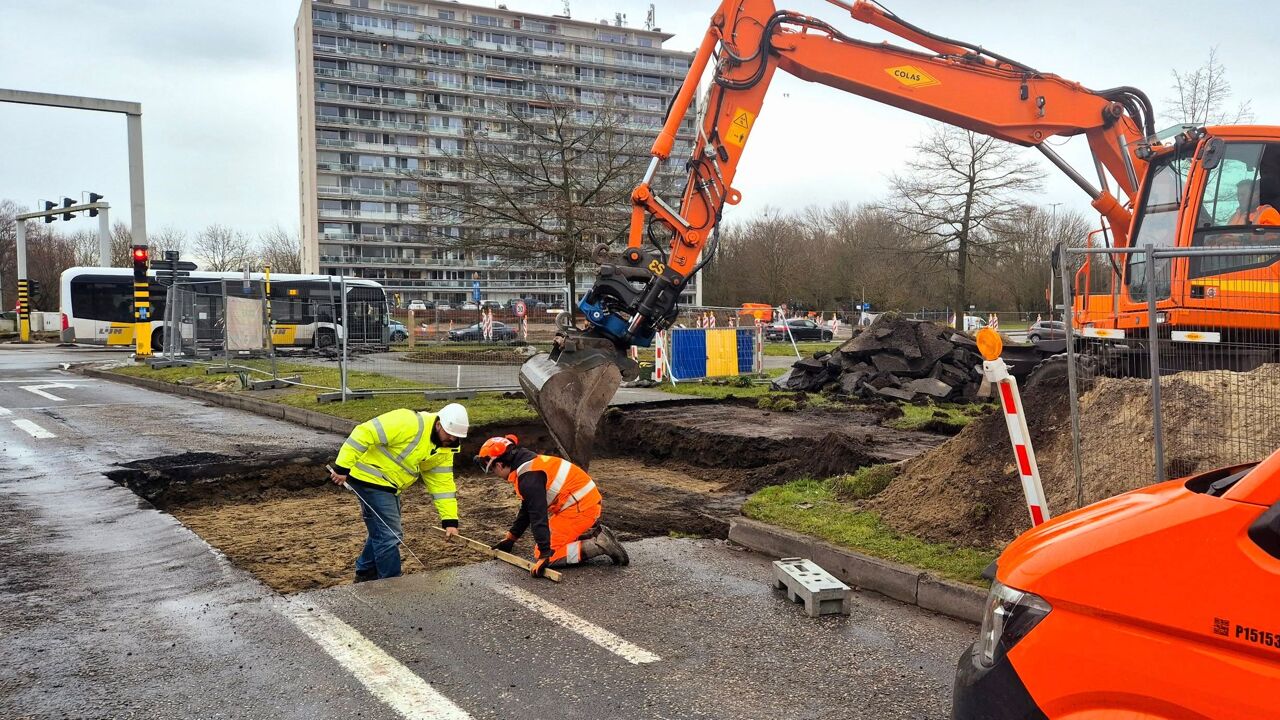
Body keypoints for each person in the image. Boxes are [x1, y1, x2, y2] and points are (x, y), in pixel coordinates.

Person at [329, 402, 470, 582]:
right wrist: (342, 467)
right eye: (449, 435)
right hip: (368, 478)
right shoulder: (407, 422)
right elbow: (364, 432)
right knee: (390, 534)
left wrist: (450, 520)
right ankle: (392, 583)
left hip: (389, 485)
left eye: (456, 437)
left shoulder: (444, 448)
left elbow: (442, 485)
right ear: (438, 424)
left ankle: (365, 572)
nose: (452, 439)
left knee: (383, 530)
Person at [475, 435, 628, 576]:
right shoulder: (527, 465)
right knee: (548, 545)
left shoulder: (528, 478)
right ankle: (590, 534)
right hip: (579, 504)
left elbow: (537, 516)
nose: (495, 474)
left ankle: (599, 543)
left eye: (493, 470)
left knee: (551, 556)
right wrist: (511, 538)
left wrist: (544, 554)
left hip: (581, 508)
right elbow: (527, 508)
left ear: (500, 465)